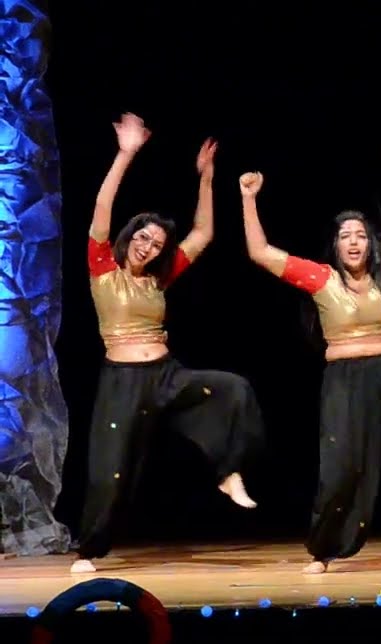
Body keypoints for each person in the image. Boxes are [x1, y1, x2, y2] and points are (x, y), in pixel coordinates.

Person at [238, 143, 381, 574]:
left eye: (361, 235)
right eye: (346, 235)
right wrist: (248, 199)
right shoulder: (320, 278)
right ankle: (324, 550)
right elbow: (260, 252)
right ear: (336, 244)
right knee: (341, 471)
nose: (354, 242)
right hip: (344, 380)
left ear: (372, 243)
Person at [74, 113, 264, 574]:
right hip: (122, 382)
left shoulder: (160, 279)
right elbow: (102, 207)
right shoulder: (102, 265)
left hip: (166, 374)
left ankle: (227, 471)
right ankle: (91, 551)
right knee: (110, 471)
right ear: (128, 238)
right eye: (142, 237)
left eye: (157, 243)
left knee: (233, 390)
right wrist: (126, 154)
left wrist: (207, 179)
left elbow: (204, 234)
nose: (148, 246)